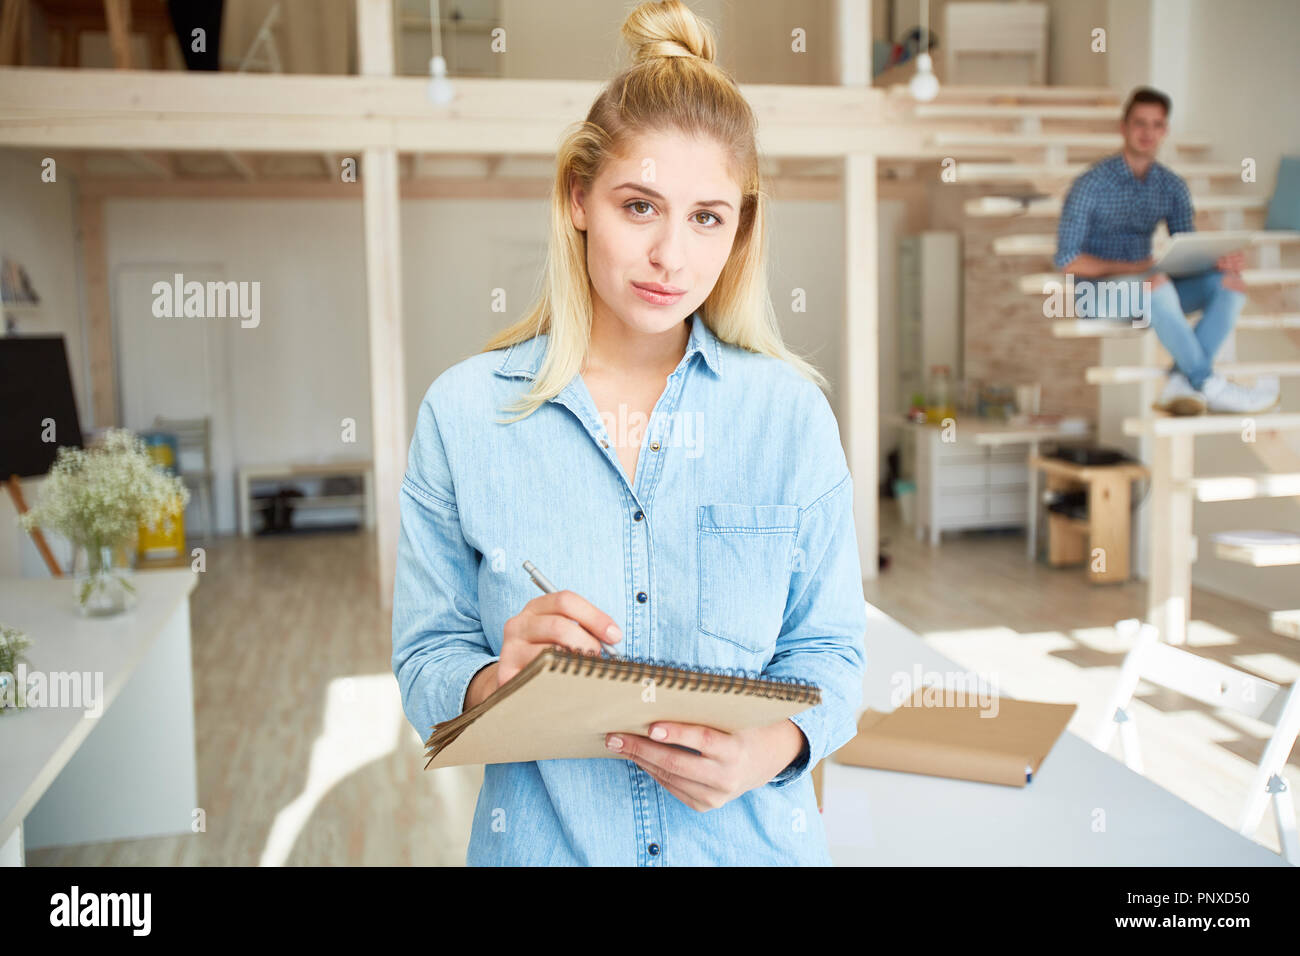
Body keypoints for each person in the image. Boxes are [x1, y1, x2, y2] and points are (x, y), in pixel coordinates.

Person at [390, 0, 867, 866]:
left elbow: (832, 653)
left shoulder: (789, 418)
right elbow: (425, 659)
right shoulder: (461, 418)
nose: (670, 259)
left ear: (740, 228)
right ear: (578, 197)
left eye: (706, 217)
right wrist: (495, 680)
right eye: (640, 206)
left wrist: (769, 750)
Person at [1054, 86, 1280, 415]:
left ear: (1165, 130)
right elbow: (1068, 262)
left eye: (1156, 125)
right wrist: (1135, 269)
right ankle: (1208, 384)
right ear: (1124, 128)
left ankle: (1179, 382)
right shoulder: (1091, 184)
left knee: (1229, 283)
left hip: (1150, 291)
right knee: (1155, 284)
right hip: (1096, 295)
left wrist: (1217, 261)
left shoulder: (1171, 185)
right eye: (1139, 124)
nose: (1148, 133)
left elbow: (1186, 249)